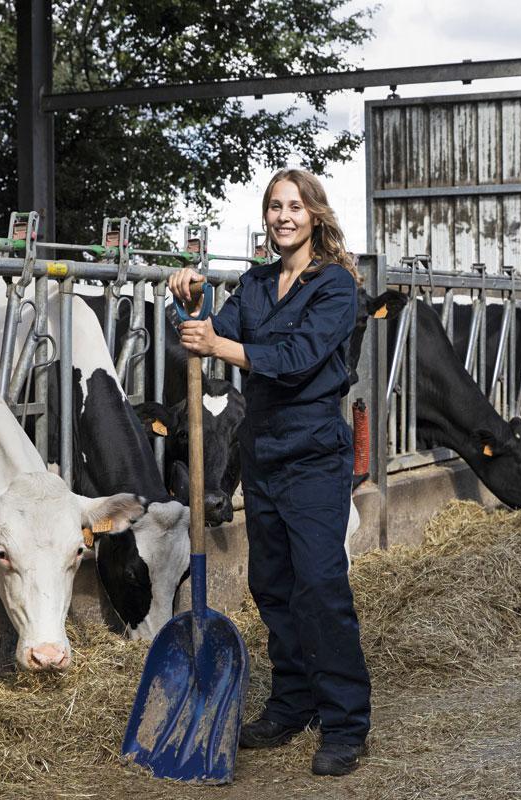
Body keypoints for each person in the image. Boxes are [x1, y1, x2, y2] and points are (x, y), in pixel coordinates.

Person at [168, 168, 371, 777]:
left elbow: (295, 359)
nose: (284, 216)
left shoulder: (336, 287)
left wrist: (217, 347)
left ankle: (344, 723)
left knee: (320, 587)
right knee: (272, 585)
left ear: (315, 214)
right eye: (274, 207)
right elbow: (210, 331)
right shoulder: (255, 285)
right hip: (263, 453)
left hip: (312, 454)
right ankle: (292, 702)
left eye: (294, 206)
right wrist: (189, 298)